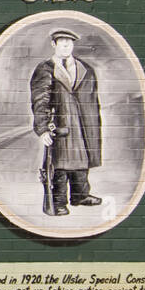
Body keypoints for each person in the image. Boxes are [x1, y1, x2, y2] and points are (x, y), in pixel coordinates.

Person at [30, 28, 101, 216]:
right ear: (54, 44)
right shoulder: (45, 69)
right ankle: (59, 202)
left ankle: (80, 195)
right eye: (62, 42)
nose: (66, 45)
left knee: (81, 160)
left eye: (69, 42)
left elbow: (92, 99)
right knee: (60, 164)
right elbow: (40, 100)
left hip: (84, 124)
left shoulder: (85, 69)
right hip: (60, 124)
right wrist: (43, 128)